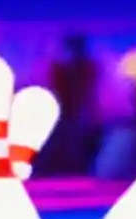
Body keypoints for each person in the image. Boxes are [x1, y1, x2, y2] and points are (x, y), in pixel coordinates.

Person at [48, 34, 100, 175]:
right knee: (68, 141)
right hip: (66, 111)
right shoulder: (62, 68)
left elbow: (86, 90)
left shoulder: (85, 68)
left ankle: (75, 168)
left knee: (75, 142)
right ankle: (68, 168)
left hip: (77, 111)